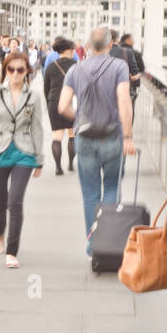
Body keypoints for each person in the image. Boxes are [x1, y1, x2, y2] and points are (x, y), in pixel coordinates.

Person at [57, 28, 134, 250]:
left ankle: (93, 243)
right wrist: (128, 136)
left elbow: (62, 106)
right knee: (112, 187)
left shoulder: (76, 69)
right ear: (111, 45)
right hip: (113, 136)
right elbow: (124, 102)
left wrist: (81, 118)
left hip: (85, 137)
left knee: (90, 193)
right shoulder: (119, 67)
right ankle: (109, 242)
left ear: (88, 46)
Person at [0, 52, 45, 268]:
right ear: (5, 70)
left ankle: (12, 251)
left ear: (27, 72)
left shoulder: (33, 96)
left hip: (24, 152)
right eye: (11, 69)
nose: (15, 74)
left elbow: (37, 127)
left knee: (15, 201)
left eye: (20, 70)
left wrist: (39, 159)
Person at [42, 37, 77, 174]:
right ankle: (70, 164)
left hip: (54, 102)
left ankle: (57, 167)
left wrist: (49, 102)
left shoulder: (51, 66)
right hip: (71, 102)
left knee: (57, 136)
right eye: (73, 50)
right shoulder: (76, 65)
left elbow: (46, 88)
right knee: (72, 134)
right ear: (68, 50)